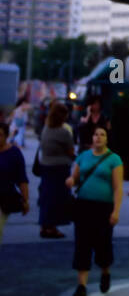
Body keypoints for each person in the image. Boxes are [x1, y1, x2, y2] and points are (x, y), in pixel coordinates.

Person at [67, 124, 123, 296]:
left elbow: (118, 187)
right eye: (96, 134)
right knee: (82, 244)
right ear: (92, 138)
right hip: (84, 206)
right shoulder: (83, 157)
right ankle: (81, 285)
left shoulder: (114, 159)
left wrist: (116, 211)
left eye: (102, 134)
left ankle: (105, 271)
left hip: (103, 208)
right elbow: (75, 178)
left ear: (107, 138)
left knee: (103, 243)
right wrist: (70, 180)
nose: (98, 137)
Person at [37, 100, 75, 238]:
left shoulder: (45, 129)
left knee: (46, 197)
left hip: (46, 166)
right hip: (60, 168)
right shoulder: (64, 132)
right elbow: (70, 151)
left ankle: (44, 225)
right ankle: (53, 227)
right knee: (58, 199)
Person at [0, 120, 29, 243]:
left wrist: (25, 200)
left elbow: (22, 179)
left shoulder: (14, 153)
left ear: (6, 136)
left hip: (3, 199)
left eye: (0, 135)